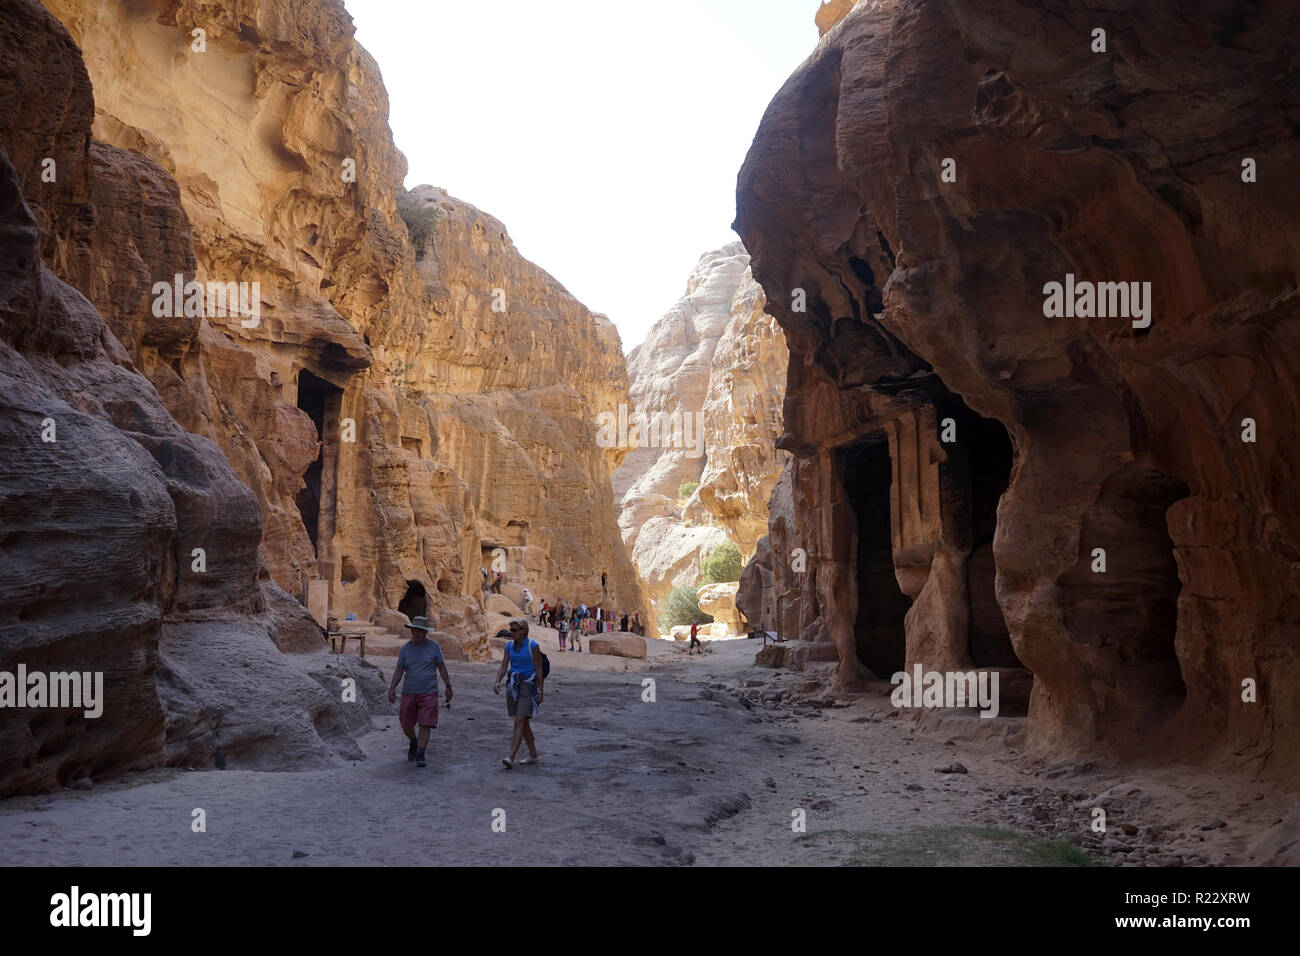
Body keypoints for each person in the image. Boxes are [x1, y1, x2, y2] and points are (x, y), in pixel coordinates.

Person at [386, 616, 452, 768]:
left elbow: (441, 667)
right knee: (406, 724)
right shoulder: (406, 648)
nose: (416, 633)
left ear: (425, 632)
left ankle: (421, 753)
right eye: (414, 630)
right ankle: (413, 742)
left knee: (425, 723)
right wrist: (392, 688)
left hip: (429, 691)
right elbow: (399, 669)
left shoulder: (434, 647)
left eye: (419, 630)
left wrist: (448, 686)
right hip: (409, 691)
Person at [493, 619, 545, 768]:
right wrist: (498, 681)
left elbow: (538, 668)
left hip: (528, 686)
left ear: (523, 632)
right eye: (511, 630)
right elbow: (504, 665)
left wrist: (541, 690)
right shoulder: (509, 646)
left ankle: (510, 756)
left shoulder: (533, 646)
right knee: (523, 722)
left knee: (519, 721)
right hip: (513, 686)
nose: (511, 633)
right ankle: (533, 754)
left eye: (514, 630)